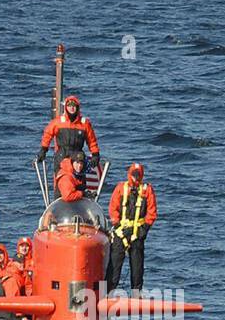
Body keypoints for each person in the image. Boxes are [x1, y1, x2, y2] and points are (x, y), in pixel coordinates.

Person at [106, 163, 157, 293]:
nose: (135, 178)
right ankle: (106, 294)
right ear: (129, 175)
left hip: (137, 234)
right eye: (134, 175)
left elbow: (152, 212)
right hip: (121, 232)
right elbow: (113, 208)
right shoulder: (121, 188)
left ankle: (136, 294)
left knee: (137, 267)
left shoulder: (147, 190)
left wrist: (144, 229)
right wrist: (117, 226)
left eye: (138, 175)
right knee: (114, 265)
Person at [37, 95, 100, 172]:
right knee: (63, 180)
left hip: (78, 157)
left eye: (74, 105)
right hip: (62, 155)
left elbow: (92, 141)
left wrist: (95, 154)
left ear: (77, 107)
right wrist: (43, 150)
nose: (72, 108)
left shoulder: (84, 123)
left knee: (78, 181)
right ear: (66, 107)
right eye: (69, 105)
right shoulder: (58, 122)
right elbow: (47, 135)